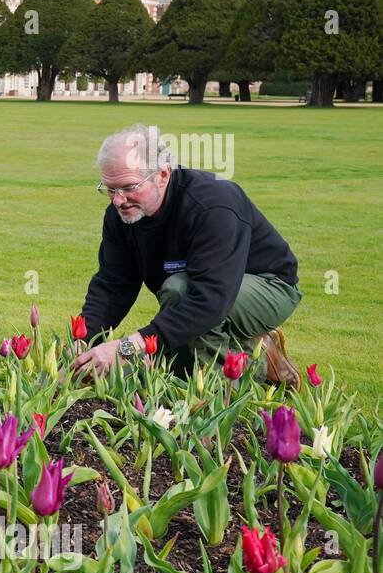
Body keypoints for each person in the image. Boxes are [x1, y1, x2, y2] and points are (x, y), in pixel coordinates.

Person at [72, 124, 302, 387]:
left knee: (181, 293)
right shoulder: (120, 216)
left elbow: (209, 299)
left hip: (269, 285)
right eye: (110, 189)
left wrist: (127, 347)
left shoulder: (212, 203)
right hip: (201, 288)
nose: (117, 200)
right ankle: (209, 373)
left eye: (128, 187)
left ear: (162, 173)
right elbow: (114, 283)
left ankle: (229, 391)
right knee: (177, 310)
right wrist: (83, 342)